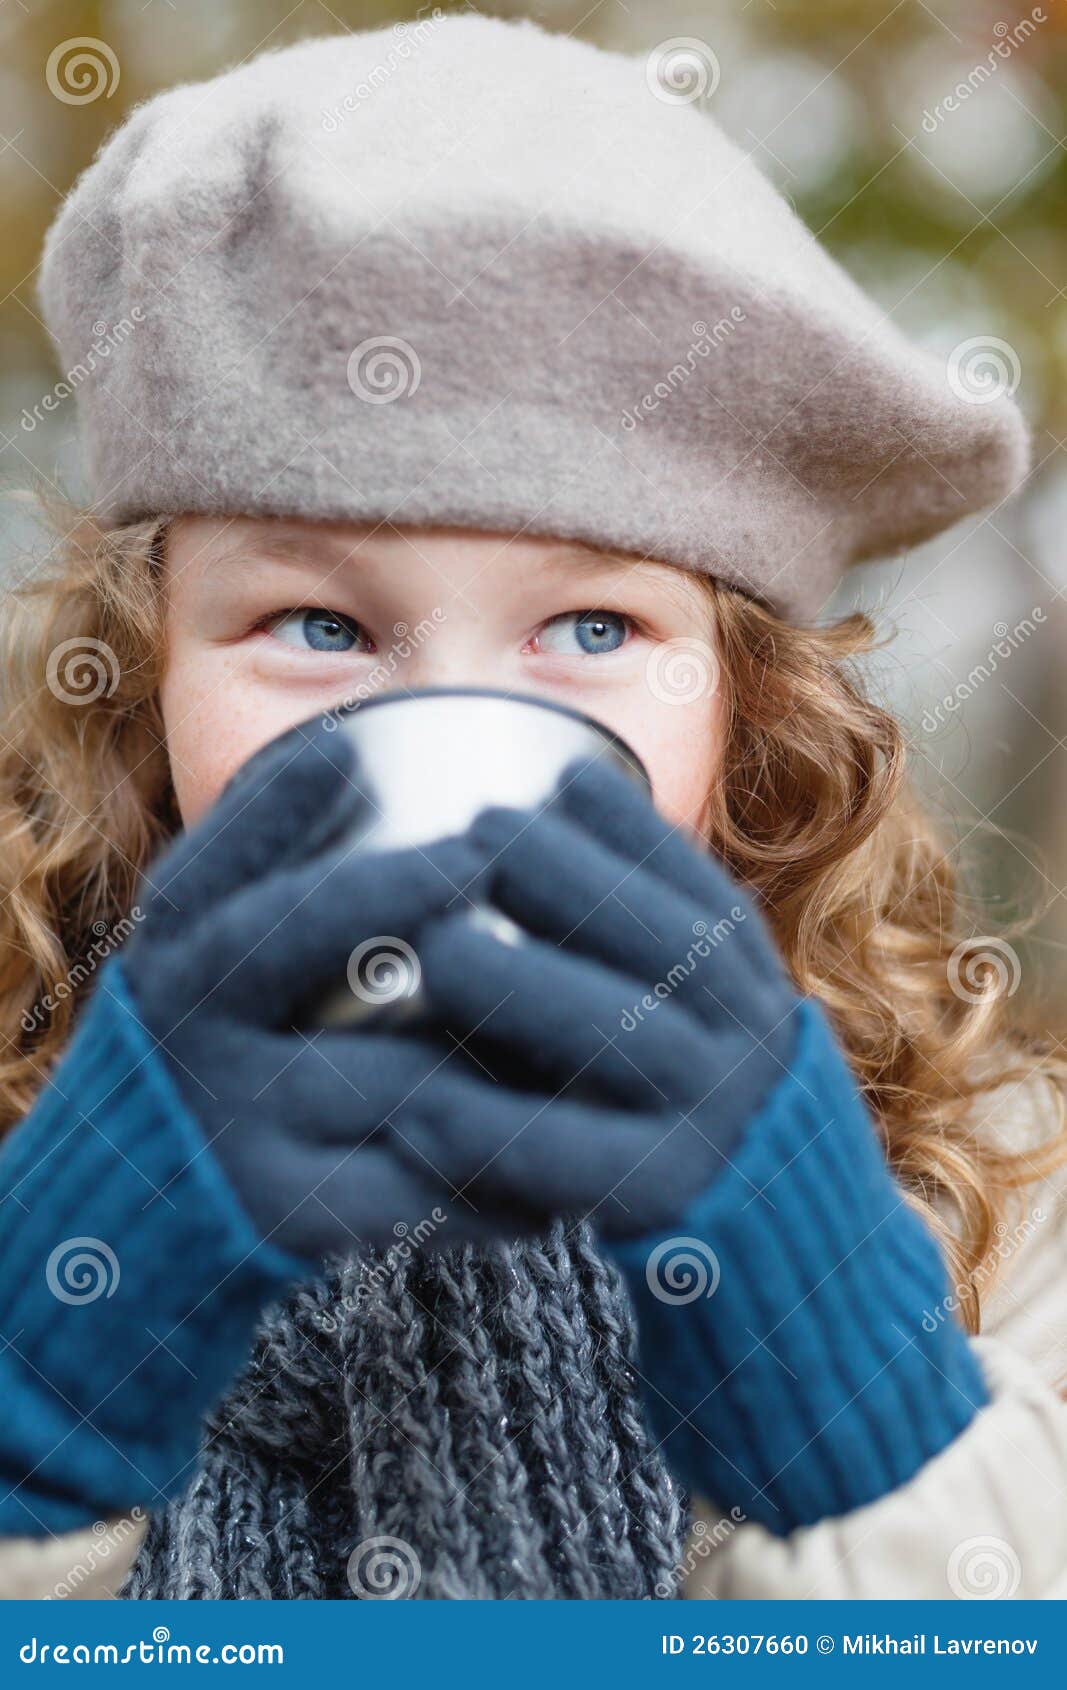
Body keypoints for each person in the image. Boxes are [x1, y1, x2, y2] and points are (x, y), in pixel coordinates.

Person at [1, 15, 1065, 1601]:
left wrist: (844, 1394)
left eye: (591, 632)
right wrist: (41, 1397)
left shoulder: (1004, 1193)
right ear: (144, 669)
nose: (450, 735)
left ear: (745, 697)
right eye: (321, 626)